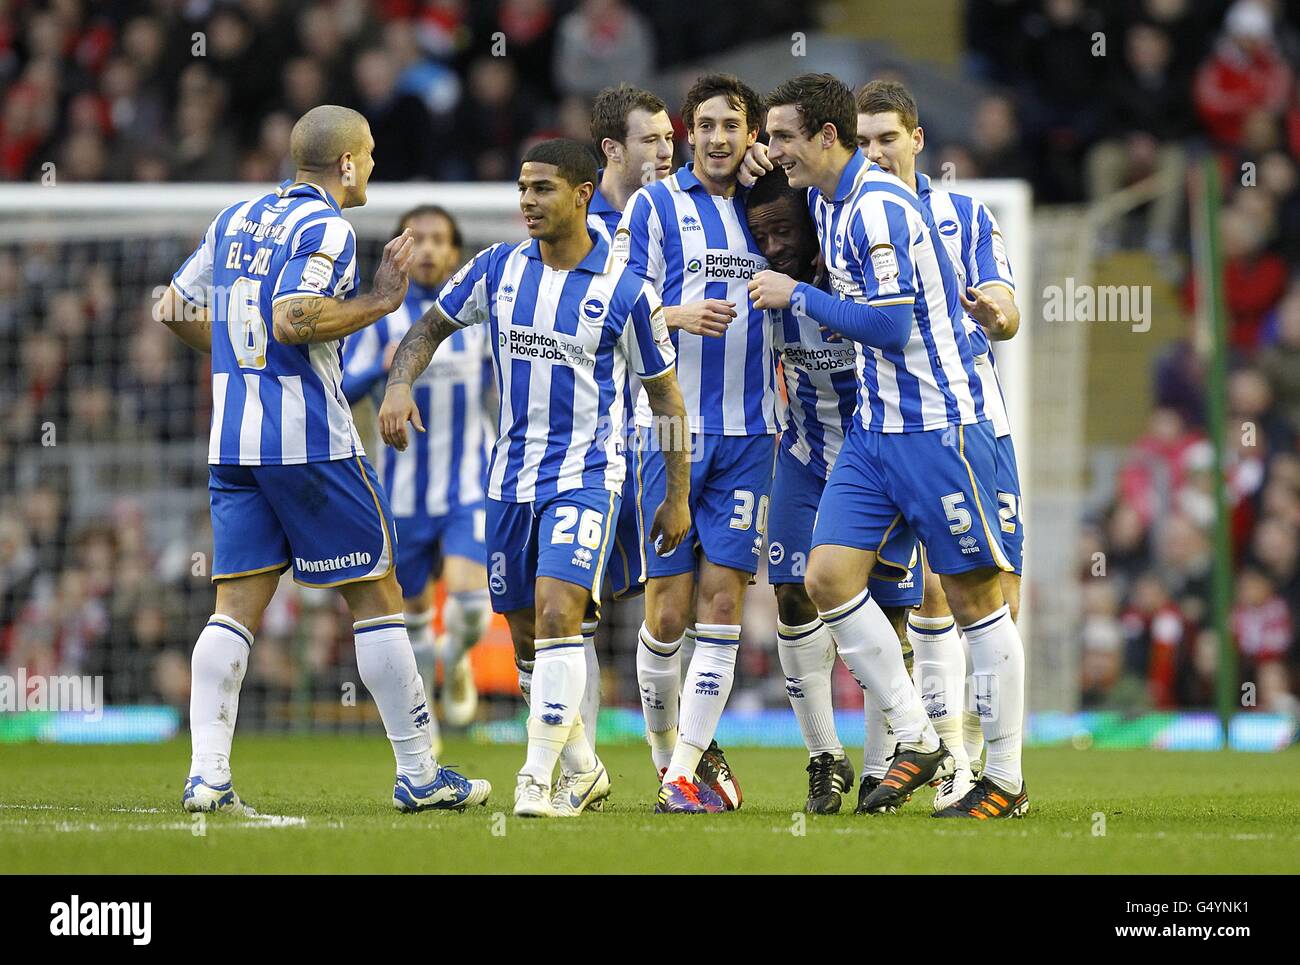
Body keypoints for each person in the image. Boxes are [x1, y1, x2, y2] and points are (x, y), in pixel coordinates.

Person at [157, 104, 490, 815]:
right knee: (376, 595)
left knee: (234, 607)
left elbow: (173, 308)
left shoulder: (236, 218)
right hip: (309, 443)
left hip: (234, 443)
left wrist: (236, 360)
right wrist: (380, 299)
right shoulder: (327, 228)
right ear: (345, 164)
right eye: (367, 154)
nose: (371, 165)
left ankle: (208, 776)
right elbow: (294, 316)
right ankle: (420, 773)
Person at [378, 139, 690, 818]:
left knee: (558, 613)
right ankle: (583, 767)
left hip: (587, 475)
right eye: (522, 188)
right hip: (508, 479)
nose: (527, 201)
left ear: (582, 194)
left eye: (542, 189)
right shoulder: (497, 268)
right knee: (525, 632)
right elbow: (427, 328)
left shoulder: (627, 290)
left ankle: (536, 776)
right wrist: (400, 383)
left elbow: (666, 398)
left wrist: (675, 494)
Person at [751, 73, 1028, 819]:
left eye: (783, 137)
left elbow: (891, 326)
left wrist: (797, 295)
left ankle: (1003, 776)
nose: (774, 152)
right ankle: (918, 733)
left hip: (939, 424)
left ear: (824, 138)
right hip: (874, 432)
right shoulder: (826, 197)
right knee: (828, 577)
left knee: (974, 599)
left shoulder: (876, 209)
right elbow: (766, 191)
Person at [854, 79, 1025, 811]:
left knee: (991, 600)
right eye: (862, 142)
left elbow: (1008, 310)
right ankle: (951, 754)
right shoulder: (844, 219)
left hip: (974, 422)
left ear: (917, 140)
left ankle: (993, 764)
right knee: (922, 598)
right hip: (891, 432)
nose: (876, 153)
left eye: (887, 138)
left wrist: (996, 310)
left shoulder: (962, 214)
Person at [616, 73, 783, 813]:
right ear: (688, 131)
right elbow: (612, 302)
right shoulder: (654, 206)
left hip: (751, 433)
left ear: (753, 135)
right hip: (671, 428)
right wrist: (678, 314)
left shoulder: (773, 205)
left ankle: (683, 771)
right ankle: (666, 757)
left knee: (724, 602)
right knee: (666, 613)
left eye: (733, 125)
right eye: (706, 124)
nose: (719, 137)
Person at [746, 167, 925, 814]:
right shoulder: (757, 283)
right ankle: (824, 756)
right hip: (800, 458)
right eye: (760, 234)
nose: (772, 247)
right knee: (792, 595)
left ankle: (884, 768)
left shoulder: (854, 282)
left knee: (887, 612)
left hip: (878, 458)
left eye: (784, 231)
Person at [341, 205, 492, 733]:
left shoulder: (479, 319)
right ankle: (425, 719)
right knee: (413, 618)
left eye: (438, 240)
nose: (427, 249)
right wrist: (380, 371)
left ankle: (458, 660)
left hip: (468, 486)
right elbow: (344, 388)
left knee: (472, 608)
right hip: (401, 493)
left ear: (454, 253)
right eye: (416, 239)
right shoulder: (378, 321)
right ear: (399, 250)